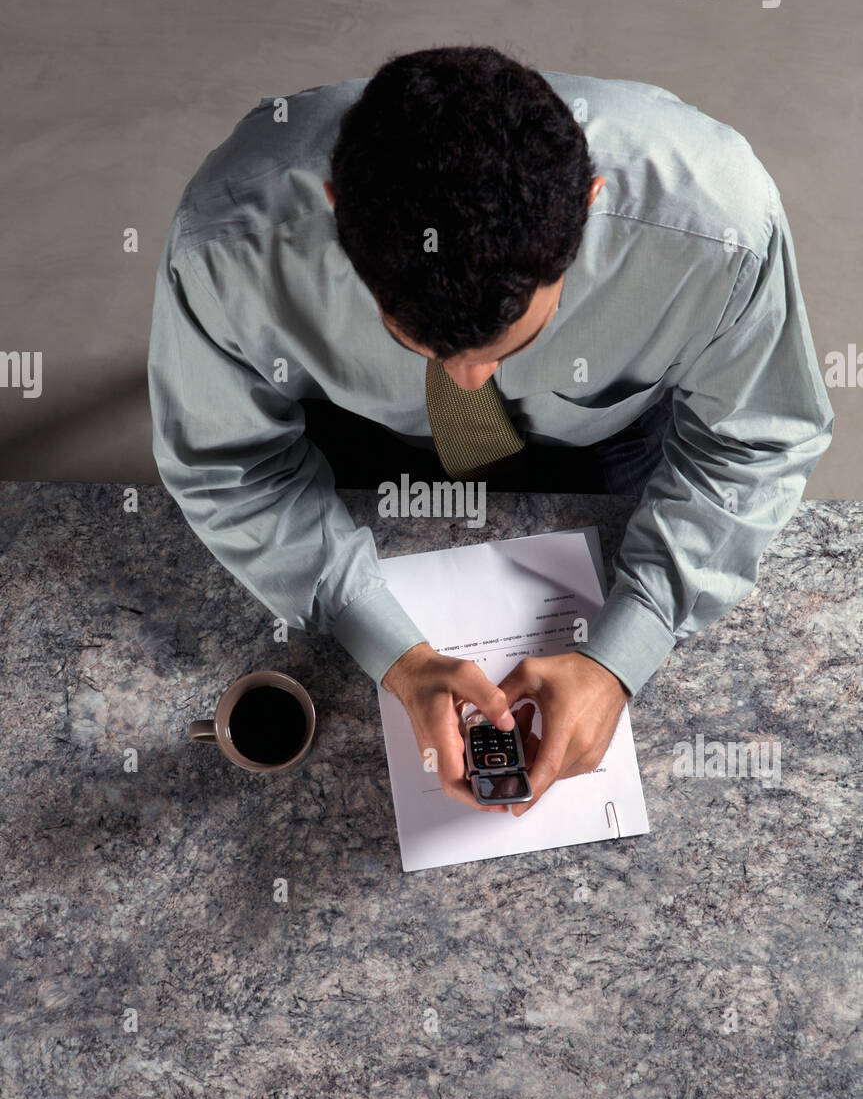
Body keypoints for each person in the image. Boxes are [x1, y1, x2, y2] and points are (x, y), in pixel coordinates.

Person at [148, 45, 833, 818]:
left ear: (587, 204)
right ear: (337, 208)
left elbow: (752, 442)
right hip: (353, 431)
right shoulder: (225, 242)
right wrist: (396, 657)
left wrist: (620, 656)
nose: (469, 380)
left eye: (508, 343)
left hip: (606, 442)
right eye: (421, 344)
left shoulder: (720, 231)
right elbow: (231, 465)